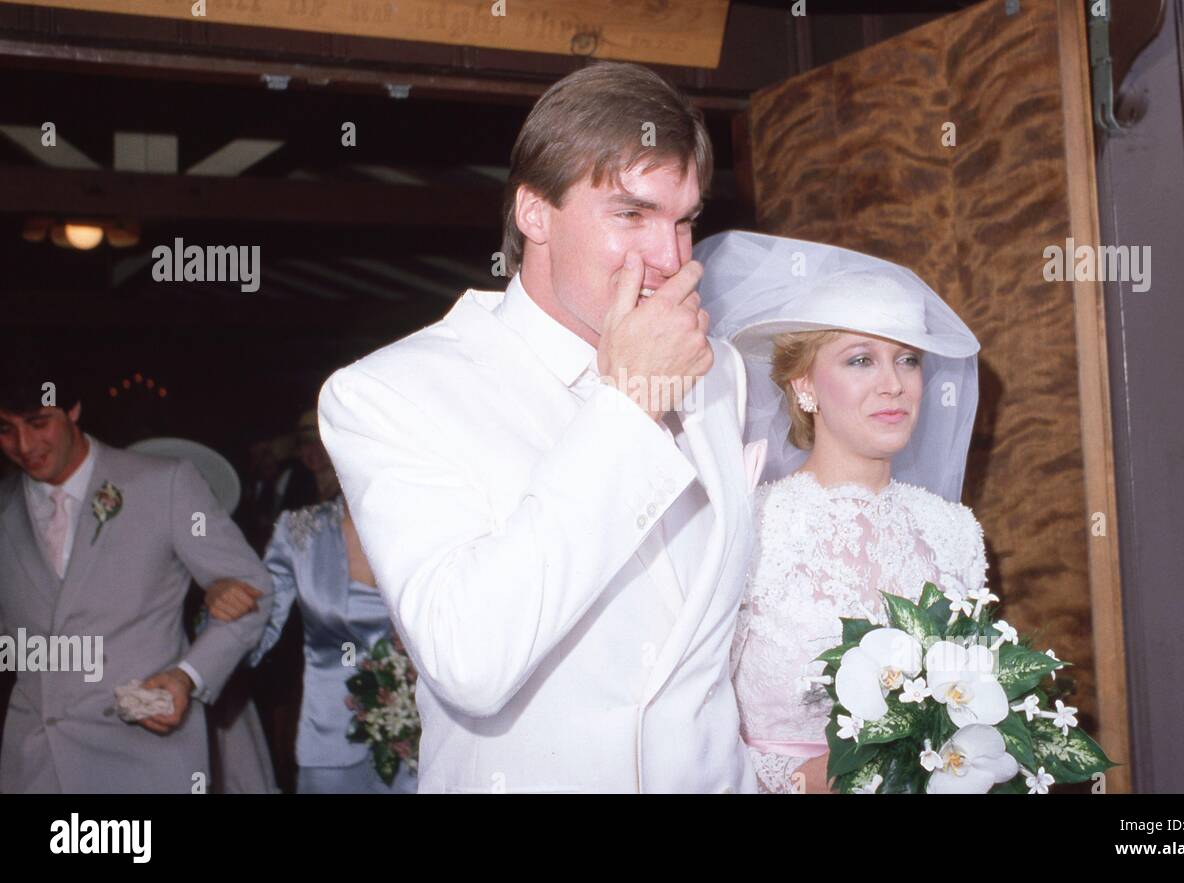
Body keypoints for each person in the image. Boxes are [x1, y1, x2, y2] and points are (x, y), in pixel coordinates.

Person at [316, 61, 764, 793]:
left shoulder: (721, 371)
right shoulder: (387, 393)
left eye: (684, 220)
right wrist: (629, 406)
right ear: (534, 213)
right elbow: (471, 660)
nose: (672, 258)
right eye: (631, 215)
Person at [696, 231, 985, 793]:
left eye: (907, 360)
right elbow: (693, 718)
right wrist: (798, 780)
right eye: (861, 360)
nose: (893, 385)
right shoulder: (752, 524)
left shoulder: (955, 531)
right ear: (804, 384)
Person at [0, 350, 273, 793]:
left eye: (37, 423)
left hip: (142, 754)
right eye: (6, 430)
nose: (24, 446)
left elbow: (254, 590)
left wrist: (189, 676)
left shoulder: (162, 484)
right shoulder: (4, 506)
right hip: (36, 763)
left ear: (72, 409)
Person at [207, 433, 417, 793]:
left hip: (423, 743)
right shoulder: (300, 530)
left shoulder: (434, 530)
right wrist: (216, 610)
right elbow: (257, 625)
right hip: (329, 743)